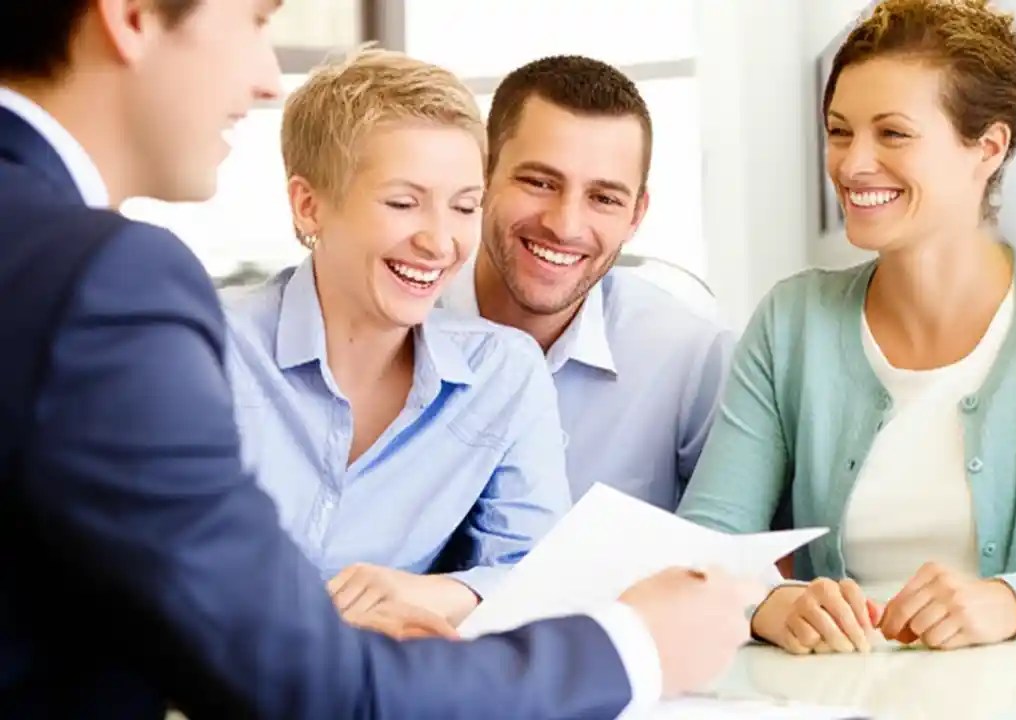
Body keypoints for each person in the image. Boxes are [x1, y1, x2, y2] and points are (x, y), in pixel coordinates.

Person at [0, 1, 751, 717]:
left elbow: (523, 568)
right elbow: (298, 680)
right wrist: (632, 644)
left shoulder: (524, 365)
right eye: (255, 21)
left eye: (461, 205)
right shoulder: (125, 287)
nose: (267, 76)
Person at [677, 0, 1016, 655]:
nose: (852, 165)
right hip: (835, 701)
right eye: (840, 131)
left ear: (987, 149)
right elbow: (697, 559)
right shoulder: (789, 324)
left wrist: (1013, 602)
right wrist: (770, 603)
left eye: (893, 133)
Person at [222, 48, 570, 630]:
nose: (440, 242)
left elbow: (537, 568)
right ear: (309, 206)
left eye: (464, 206)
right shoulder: (208, 350)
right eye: (404, 203)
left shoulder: (503, 372)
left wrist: (430, 595)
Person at [438, 55, 735, 512]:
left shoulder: (690, 359)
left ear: (636, 214)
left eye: (603, 198)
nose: (565, 225)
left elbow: (741, 558)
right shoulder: (396, 326)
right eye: (539, 182)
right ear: (482, 174)